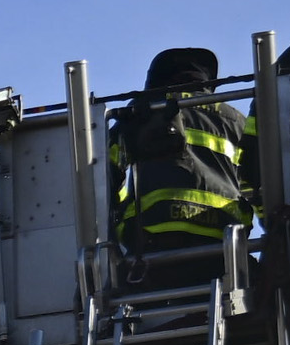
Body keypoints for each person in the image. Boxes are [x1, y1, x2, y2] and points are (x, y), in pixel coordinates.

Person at [108, 47, 262, 272]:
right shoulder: (237, 120)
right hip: (224, 243)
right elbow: (258, 181)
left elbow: (105, 176)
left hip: (153, 241)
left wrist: (121, 223)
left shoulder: (143, 110)